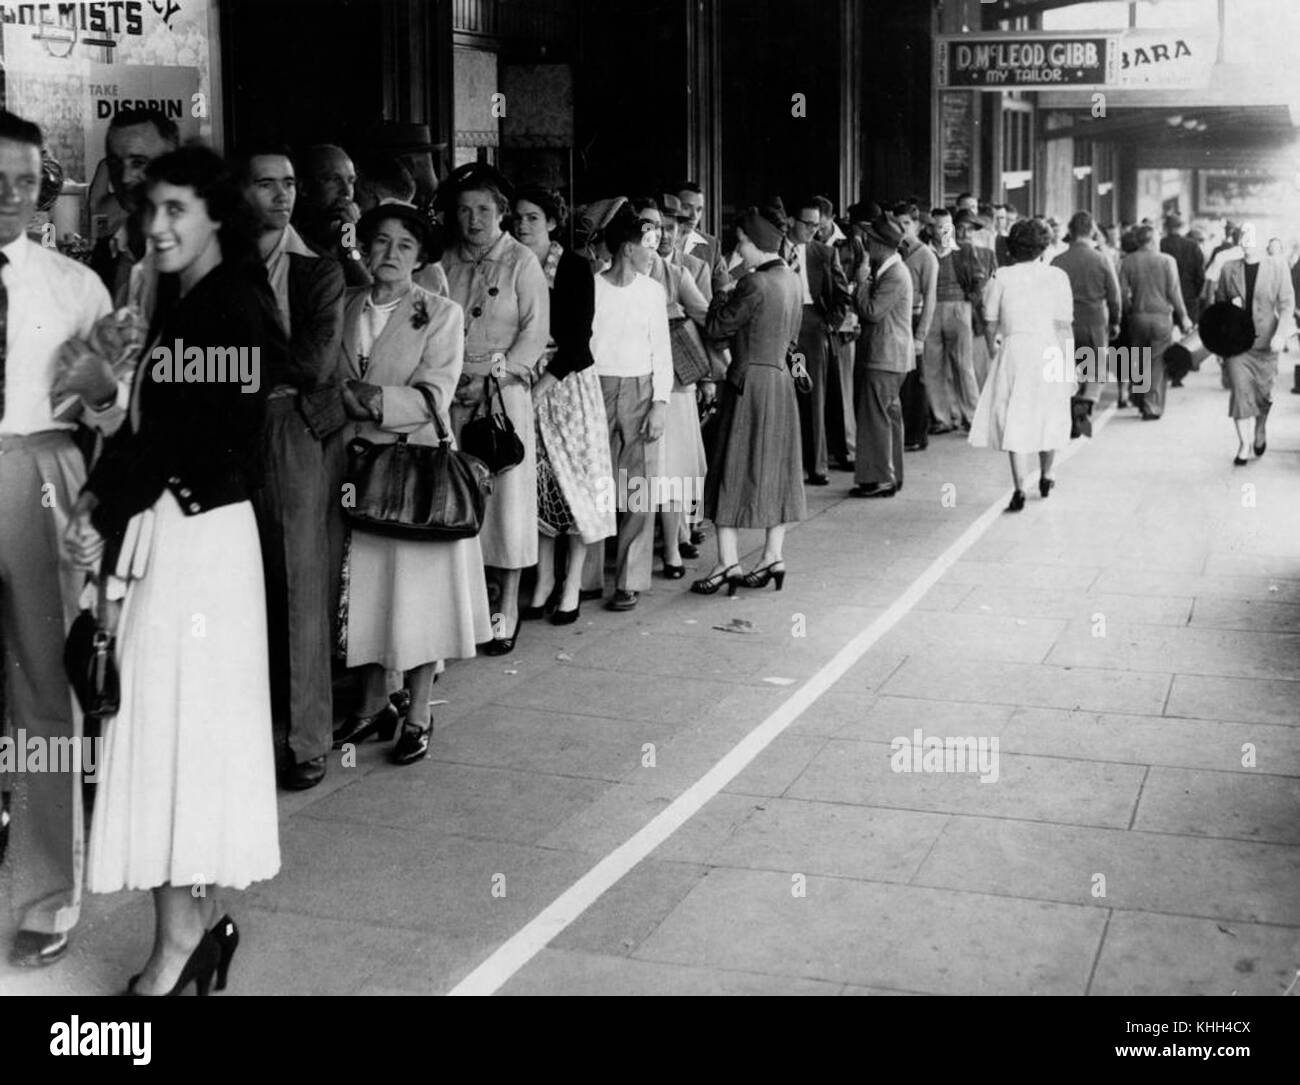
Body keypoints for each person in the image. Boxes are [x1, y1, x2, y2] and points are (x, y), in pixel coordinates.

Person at [64, 145, 282, 994]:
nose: (155, 226)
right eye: (148, 210)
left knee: (171, 737)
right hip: (190, 535)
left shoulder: (223, 308)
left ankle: (182, 942)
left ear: (215, 217)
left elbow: (177, 441)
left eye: (175, 211)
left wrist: (101, 515)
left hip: (190, 540)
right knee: (182, 737)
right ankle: (195, 930)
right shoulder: (196, 299)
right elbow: (157, 432)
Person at [0, 110, 113, 968]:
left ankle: (46, 894)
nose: (13, 195)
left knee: (45, 693)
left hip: (41, 476)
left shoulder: (75, 287)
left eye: (29, 180)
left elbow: (108, 412)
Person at [331, 202, 492, 763]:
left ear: (420, 255)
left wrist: (370, 401)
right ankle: (374, 703)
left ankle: (419, 710)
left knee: (419, 599)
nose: (390, 254)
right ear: (363, 247)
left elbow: (435, 395)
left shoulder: (440, 312)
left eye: (404, 245)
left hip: (411, 472)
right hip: (352, 470)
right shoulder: (345, 305)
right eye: (380, 242)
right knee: (371, 595)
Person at [237, 144, 346, 791]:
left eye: (289, 183)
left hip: (294, 426)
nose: (281, 195)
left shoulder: (319, 271)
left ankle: (307, 739)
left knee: (301, 583)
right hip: (234, 432)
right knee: (242, 582)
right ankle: (256, 733)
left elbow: (311, 363)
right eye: (266, 183)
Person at [441, 163, 549, 651]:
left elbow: (533, 334)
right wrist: (451, 375)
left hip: (503, 399)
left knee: (506, 503)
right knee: (463, 500)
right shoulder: (445, 260)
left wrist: (488, 375)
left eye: (484, 209)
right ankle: (471, 605)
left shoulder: (522, 261)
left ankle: (507, 604)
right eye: (464, 210)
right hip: (451, 395)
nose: (474, 219)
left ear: (502, 213)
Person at [511, 186, 614, 623]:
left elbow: (578, 343)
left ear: (552, 222)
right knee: (539, 488)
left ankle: (572, 582)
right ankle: (545, 581)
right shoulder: (511, 265)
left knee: (576, 489)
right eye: (517, 217)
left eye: (533, 217)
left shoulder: (573, 267)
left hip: (566, 385)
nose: (522, 225)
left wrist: (538, 390)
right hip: (523, 377)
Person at [694, 205, 804, 594]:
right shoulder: (791, 280)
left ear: (756, 244)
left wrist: (721, 293)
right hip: (780, 382)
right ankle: (773, 555)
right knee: (777, 469)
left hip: (747, 383)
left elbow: (716, 329)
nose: (738, 248)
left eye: (741, 241)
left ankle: (727, 563)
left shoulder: (752, 284)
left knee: (731, 468)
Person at [968, 218, 1076, 512]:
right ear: (1043, 247)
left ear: (1013, 247)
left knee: (1013, 412)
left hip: (1015, 349)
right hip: (1048, 347)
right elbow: (1064, 325)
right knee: (1049, 410)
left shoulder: (1001, 276)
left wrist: (995, 350)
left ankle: (1018, 487)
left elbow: (990, 323)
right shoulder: (1057, 276)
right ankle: (1047, 474)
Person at [629, 196, 711, 579]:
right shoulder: (613, 272)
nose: (653, 232)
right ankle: (637, 555)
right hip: (631, 382)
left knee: (672, 469)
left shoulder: (676, 274)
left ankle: (673, 551)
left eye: (658, 226)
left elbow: (708, 317)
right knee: (637, 474)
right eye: (645, 224)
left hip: (673, 386)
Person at [1216, 224, 1295, 464]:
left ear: (1262, 241)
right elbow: (1219, 307)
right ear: (1238, 240)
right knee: (1240, 393)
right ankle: (1244, 444)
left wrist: (1281, 334)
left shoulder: (1278, 266)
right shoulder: (1228, 269)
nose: (1247, 240)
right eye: (1243, 235)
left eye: (1252, 235)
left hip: (1267, 343)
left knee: (1263, 396)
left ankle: (1260, 426)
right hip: (1237, 345)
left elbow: (1286, 304)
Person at [786, 198, 850, 486]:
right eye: (807, 224)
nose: (813, 229)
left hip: (810, 329)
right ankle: (787, 463)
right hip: (780, 325)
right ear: (791, 221)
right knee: (782, 391)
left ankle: (816, 466)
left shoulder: (824, 253)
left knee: (809, 391)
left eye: (816, 224)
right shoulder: (773, 251)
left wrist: (827, 326)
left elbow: (842, 296)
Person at [87, 107, 179, 303]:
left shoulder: (194, 255)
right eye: (116, 164)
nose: (125, 178)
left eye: (138, 163)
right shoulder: (107, 251)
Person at [851, 213, 914, 498]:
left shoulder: (894, 274)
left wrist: (861, 282)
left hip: (885, 356)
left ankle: (879, 479)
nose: (866, 245)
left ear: (880, 244)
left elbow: (872, 312)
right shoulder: (893, 270)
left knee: (875, 416)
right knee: (889, 415)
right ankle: (891, 475)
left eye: (869, 240)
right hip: (893, 356)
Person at [1052, 211, 1121, 439]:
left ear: (1070, 231)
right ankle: (1085, 404)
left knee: (1068, 370)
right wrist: (1115, 321)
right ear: (1092, 231)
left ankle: (1071, 405)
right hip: (1094, 321)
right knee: (1095, 370)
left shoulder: (1058, 261)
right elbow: (1114, 294)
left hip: (1064, 323)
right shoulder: (1101, 259)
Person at [1120, 224, 1192, 420]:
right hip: (1161, 318)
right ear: (1152, 240)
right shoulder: (1167, 261)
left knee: (1138, 358)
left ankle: (1139, 399)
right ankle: (1151, 406)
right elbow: (1174, 292)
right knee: (1157, 362)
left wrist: (1129, 311)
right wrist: (1184, 316)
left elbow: (1123, 295)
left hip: (1137, 317)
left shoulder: (1127, 261)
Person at [923, 207, 985, 433]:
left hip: (959, 308)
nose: (946, 232)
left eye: (949, 226)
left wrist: (970, 299)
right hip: (931, 309)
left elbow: (979, 278)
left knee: (963, 365)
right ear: (930, 229)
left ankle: (973, 416)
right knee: (932, 366)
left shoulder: (964, 251)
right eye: (941, 227)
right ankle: (943, 417)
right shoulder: (924, 251)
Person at [896, 201, 938, 451]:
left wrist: (921, 335)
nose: (902, 229)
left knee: (915, 380)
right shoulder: (895, 250)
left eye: (906, 224)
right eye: (897, 223)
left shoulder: (926, 256)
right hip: (896, 318)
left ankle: (915, 435)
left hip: (914, 318)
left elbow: (931, 297)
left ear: (918, 225)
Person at [295, 144, 368, 288]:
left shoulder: (359, 233)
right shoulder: (290, 236)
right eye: (333, 180)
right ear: (303, 187)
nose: (346, 191)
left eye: (351, 181)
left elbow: (371, 294)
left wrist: (348, 243)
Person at [675, 180, 729, 293]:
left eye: (699, 210)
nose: (694, 216)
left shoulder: (712, 245)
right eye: (686, 208)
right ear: (674, 207)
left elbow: (723, 291)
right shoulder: (659, 237)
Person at [1161, 213, 1205, 326]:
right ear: (1181, 227)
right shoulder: (1193, 245)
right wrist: (1195, 294)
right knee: (1188, 338)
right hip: (1189, 296)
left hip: (1165, 298)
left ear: (1166, 227)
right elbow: (1200, 276)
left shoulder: (1161, 245)